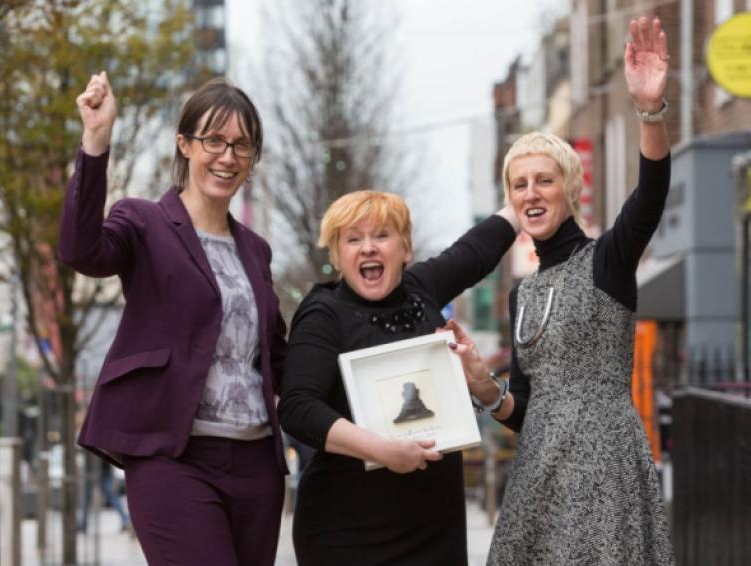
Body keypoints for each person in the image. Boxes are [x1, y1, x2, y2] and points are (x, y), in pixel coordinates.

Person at [445, 16, 674, 565]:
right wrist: (485, 388)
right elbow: (527, 408)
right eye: (520, 185)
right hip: (540, 479)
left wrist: (649, 110)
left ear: (571, 188)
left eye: (544, 179)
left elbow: (651, 195)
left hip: (607, 476)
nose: (532, 193)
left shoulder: (608, 261)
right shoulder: (521, 295)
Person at [59, 72, 288, 566]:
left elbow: (278, 356)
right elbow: (81, 251)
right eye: (214, 140)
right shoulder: (144, 222)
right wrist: (96, 141)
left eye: (242, 146)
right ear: (184, 144)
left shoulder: (257, 251)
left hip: (257, 464)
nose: (227, 157)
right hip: (173, 458)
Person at [278, 190, 519, 565]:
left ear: (405, 249)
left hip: (434, 532)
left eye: (382, 236)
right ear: (338, 255)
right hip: (348, 534)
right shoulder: (323, 314)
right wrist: (382, 451)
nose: (368, 248)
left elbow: (479, 248)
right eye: (353, 239)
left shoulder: (422, 290)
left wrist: (524, 195)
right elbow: (297, 409)